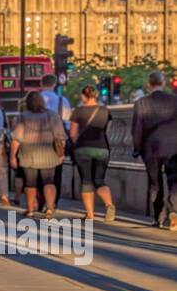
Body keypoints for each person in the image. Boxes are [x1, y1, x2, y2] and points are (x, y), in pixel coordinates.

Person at [10, 90, 66, 219]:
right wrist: (61, 153)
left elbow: (16, 139)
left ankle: (30, 209)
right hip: (49, 153)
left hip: (28, 154)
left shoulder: (22, 117)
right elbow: (60, 136)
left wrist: (13, 157)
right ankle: (50, 209)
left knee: (30, 183)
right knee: (49, 181)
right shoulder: (52, 115)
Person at [131, 71, 177, 229]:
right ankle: (174, 212)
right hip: (174, 147)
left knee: (155, 183)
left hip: (150, 148)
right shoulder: (175, 101)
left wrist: (137, 150)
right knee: (174, 180)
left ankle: (158, 217)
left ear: (149, 85)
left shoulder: (141, 103)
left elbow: (136, 130)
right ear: (163, 83)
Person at [70, 84, 116, 222]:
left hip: (83, 148)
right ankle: (109, 205)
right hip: (102, 148)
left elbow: (73, 134)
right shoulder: (104, 110)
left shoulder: (78, 111)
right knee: (100, 180)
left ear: (84, 96)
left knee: (87, 181)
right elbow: (109, 131)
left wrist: (76, 143)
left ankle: (90, 214)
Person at [39, 72, 72, 204]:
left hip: (39, 138)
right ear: (54, 85)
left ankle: (40, 198)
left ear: (41, 84)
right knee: (57, 170)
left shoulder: (36, 99)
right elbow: (67, 121)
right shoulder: (62, 101)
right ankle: (53, 200)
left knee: (39, 169)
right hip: (57, 139)